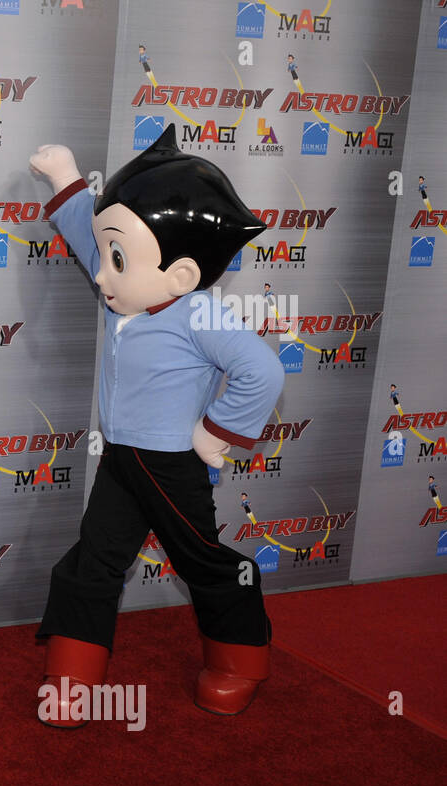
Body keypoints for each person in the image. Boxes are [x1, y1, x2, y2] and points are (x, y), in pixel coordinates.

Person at [29, 124, 282, 726]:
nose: (101, 275)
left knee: (203, 561)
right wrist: (66, 178)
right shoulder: (131, 290)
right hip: (121, 461)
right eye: (108, 258)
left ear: (183, 275)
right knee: (93, 559)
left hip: (172, 464)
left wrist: (215, 434)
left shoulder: (198, 314)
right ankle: (74, 675)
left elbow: (263, 372)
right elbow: (91, 245)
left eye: (118, 261)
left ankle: (240, 662)